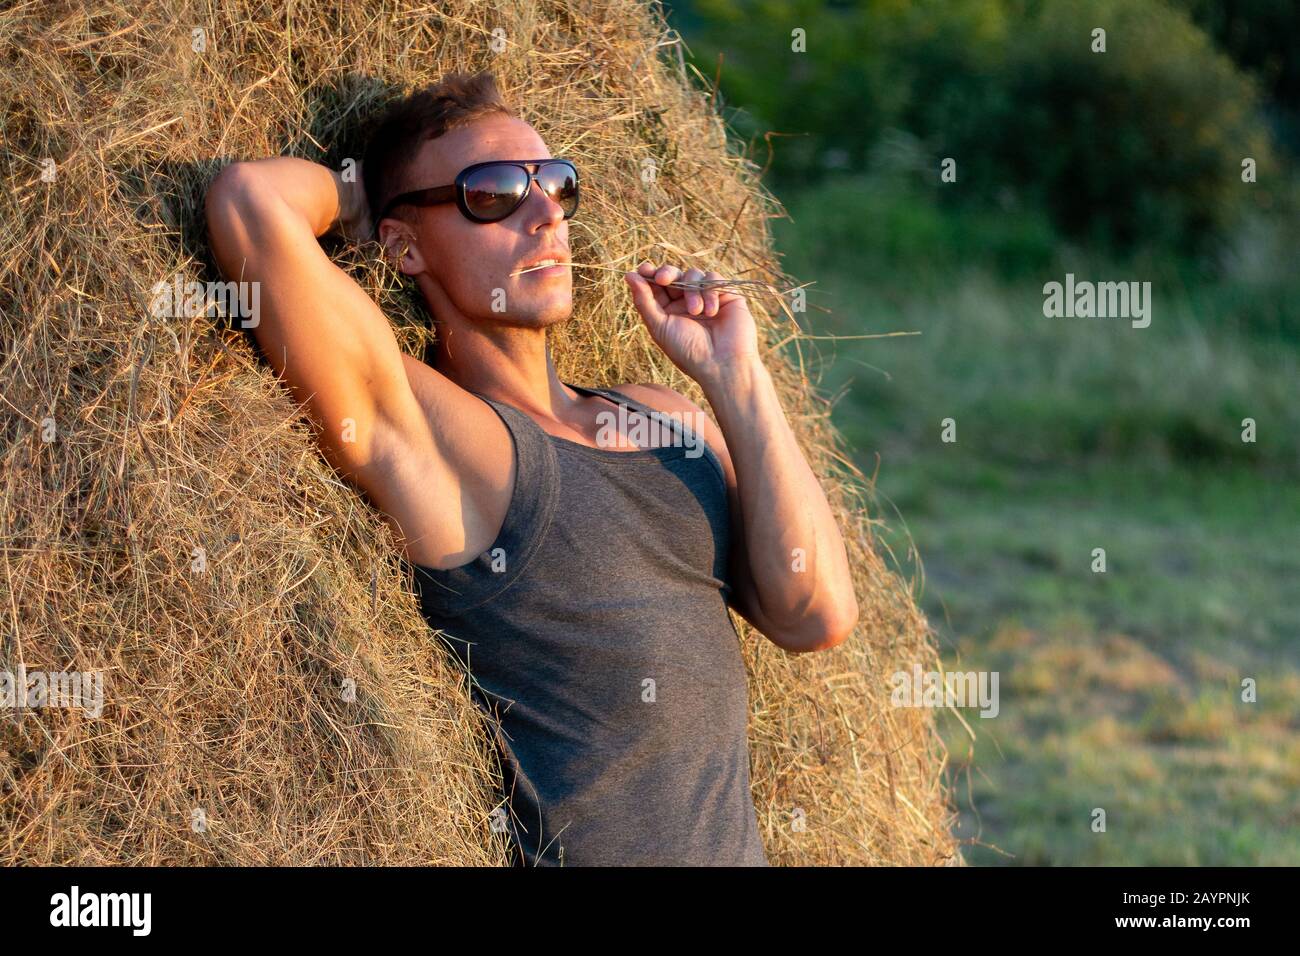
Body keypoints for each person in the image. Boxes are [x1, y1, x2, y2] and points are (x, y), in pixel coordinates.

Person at [204, 69, 859, 866]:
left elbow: (814, 613)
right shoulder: (449, 444)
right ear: (405, 245)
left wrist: (735, 376)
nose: (545, 213)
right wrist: (357, 194)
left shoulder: (667, 415)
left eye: (556, 184)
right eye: (494, 194)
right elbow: (248, 205)